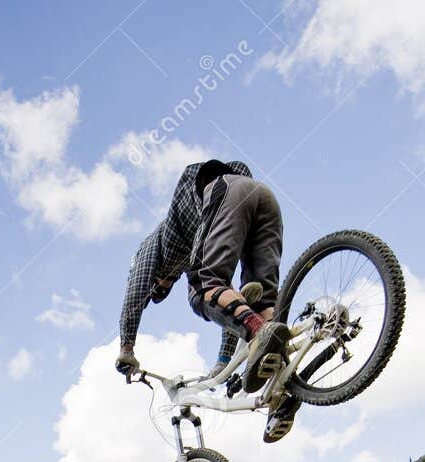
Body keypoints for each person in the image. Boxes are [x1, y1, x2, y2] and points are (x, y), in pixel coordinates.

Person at [115, 158, 298, 442]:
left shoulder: (151, 249)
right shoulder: (195, 254)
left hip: (225, 193)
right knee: (260, 304)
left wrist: (126, 348)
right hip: (263, 199)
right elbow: (227, 296)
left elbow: (135, 293)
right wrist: (224, 362)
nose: (164, 286)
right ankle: (287, 390)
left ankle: (258, 330)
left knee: (201, 289)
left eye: (160, 288)